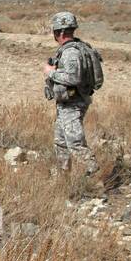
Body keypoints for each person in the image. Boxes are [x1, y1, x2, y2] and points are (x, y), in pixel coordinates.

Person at [43, 11, 100, 172]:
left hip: (73, 104)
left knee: (75, 143)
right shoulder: (71, 49)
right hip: (67, 104)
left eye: (55, 31)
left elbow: (73, 78)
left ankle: (96, 177)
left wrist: (50, 72)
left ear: (59, 32)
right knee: (61, 143)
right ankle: (64, 180)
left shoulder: (71, 53)